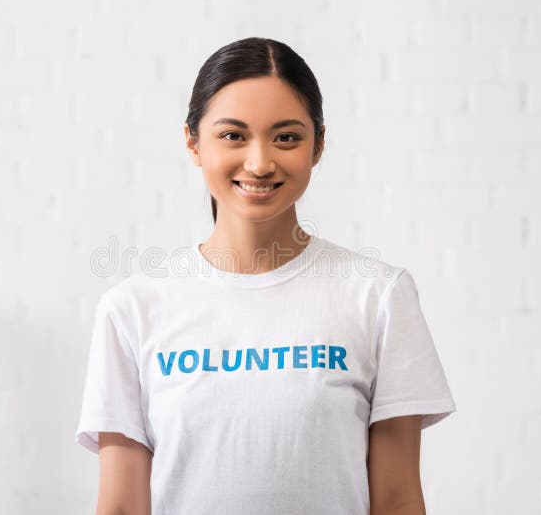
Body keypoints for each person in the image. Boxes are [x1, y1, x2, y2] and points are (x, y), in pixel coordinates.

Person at [76, 37, 456, 515]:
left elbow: (398, 502)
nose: (259, 162)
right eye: (233, 135)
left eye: (287, 137)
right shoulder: (132, 309)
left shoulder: (378, 296)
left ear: (318, 145)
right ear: (193, 142)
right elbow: (122, 508)